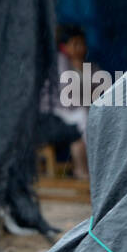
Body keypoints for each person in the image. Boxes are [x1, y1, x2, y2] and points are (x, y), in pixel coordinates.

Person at [38, 23, 90, 179]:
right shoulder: (60, 61)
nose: (80, 48)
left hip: (67, 112)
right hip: (52, 113)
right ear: (64, 47)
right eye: (75, 44)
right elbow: (67, 99)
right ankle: (85, 172)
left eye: (82, 44)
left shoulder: (86, 65)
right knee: (82, 119)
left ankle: (87, 170)